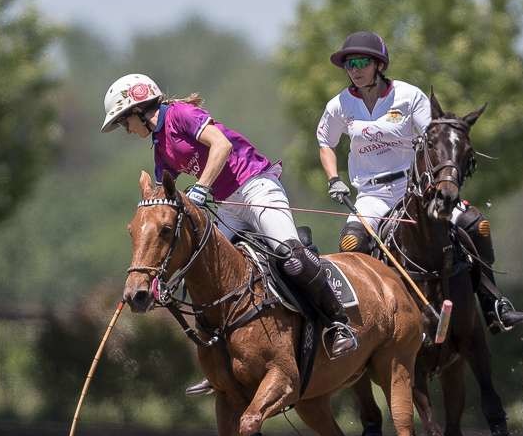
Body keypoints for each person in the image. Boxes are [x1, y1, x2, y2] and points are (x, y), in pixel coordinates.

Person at [101, 74, 358, 394]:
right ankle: (221, 360)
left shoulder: (179, 114)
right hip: (227, 205)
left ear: (138, 111)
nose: (127, 131)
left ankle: (337, 324)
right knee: (207, 270)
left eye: (124, 123)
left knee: (291, 257)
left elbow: (220, 145)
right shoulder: (159, 146)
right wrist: (152, 278)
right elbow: (162, 198)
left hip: (256, 186)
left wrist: (200, 188)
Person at [317, 31, 523, 333]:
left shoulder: (408, 96)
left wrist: (442, 181)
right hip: (372, 193)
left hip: (415, 188)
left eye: (362, 61)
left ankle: (493, 304)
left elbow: (437, 139)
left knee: (476, 224)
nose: (355, 68)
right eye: (349, 63)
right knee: (351, 242)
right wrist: (333, 179)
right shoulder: (339, 105)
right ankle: (358, 326)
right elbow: (326, 141)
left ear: (379, 64)